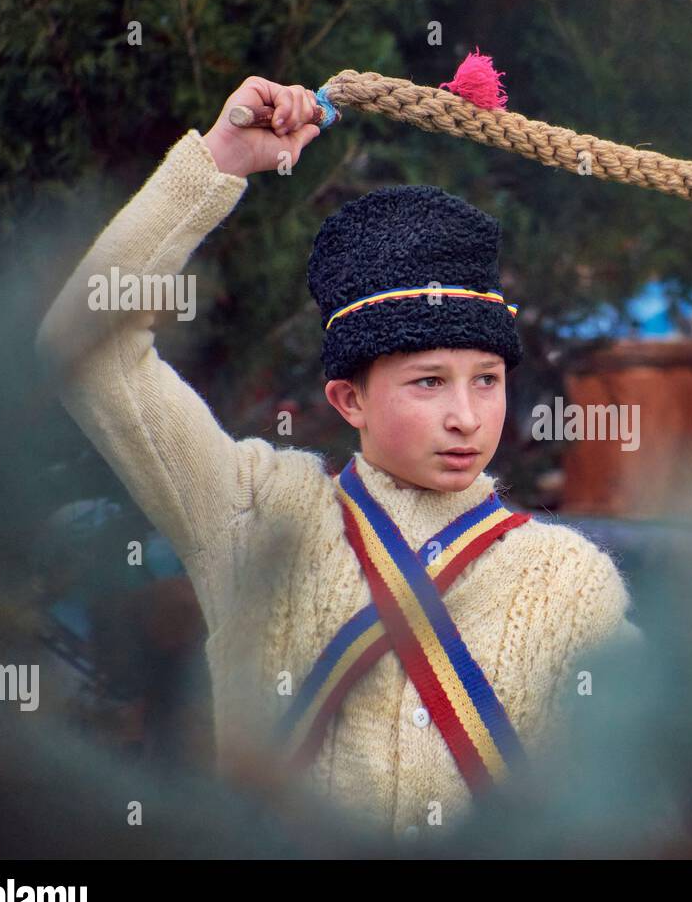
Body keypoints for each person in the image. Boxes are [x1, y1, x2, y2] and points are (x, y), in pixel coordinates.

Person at [35, 76, 640, 841]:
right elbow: (86, 349)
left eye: (486, 381)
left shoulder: (570, 580)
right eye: (427, 382)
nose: (465, 415)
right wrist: (218, 163)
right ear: (349, 400)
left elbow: (636, 808)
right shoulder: (255, 511)